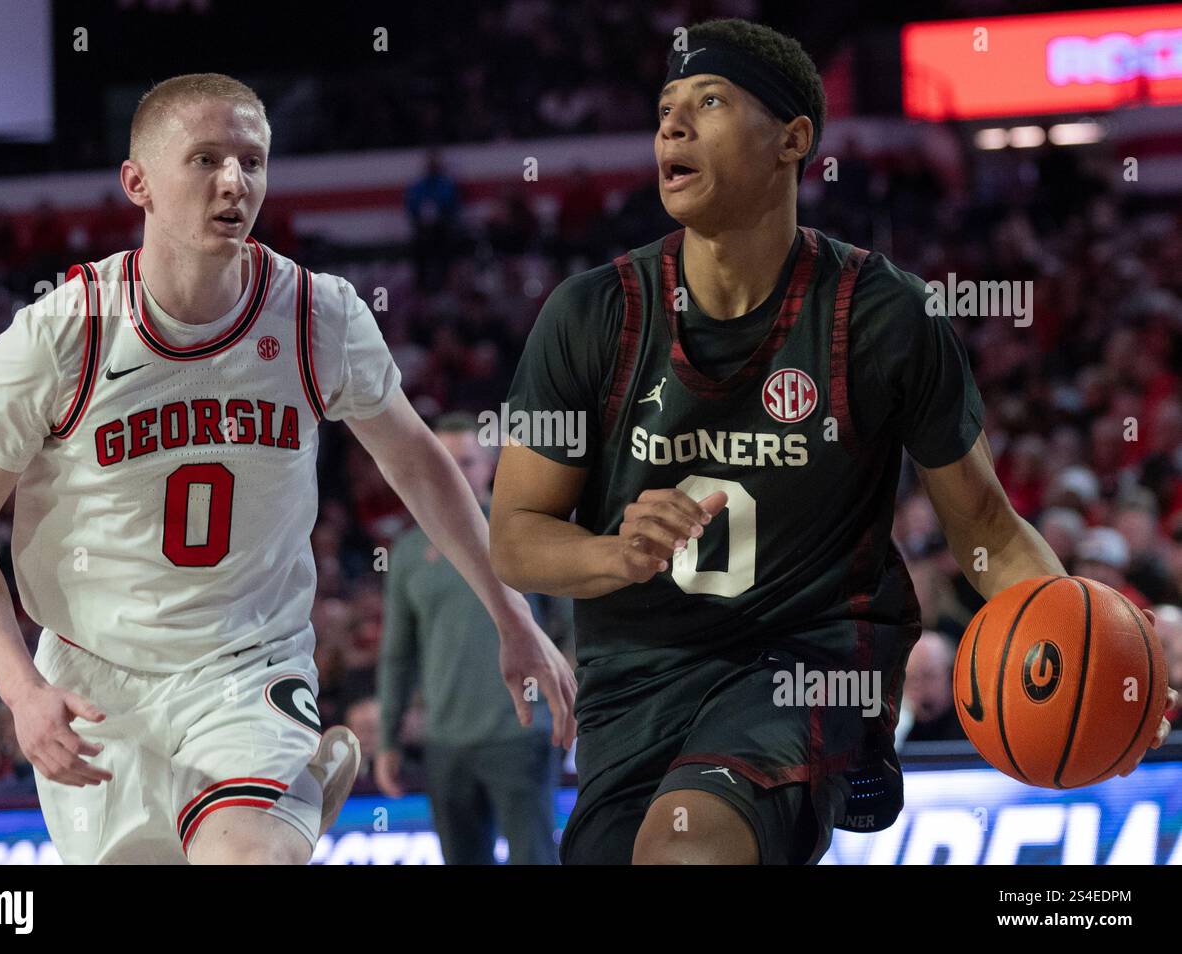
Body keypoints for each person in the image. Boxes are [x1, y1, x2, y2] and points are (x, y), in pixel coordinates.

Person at [489, 18, 1177, 866]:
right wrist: (612, 553)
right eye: (665, 108)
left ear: (792, 140)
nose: (672, 125)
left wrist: (1086, 654)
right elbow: (515, 535)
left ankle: (846, 753)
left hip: (808, 663)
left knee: (691, 851)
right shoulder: (590, 314)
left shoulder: (885, 315)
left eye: (708, 102)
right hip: (638, 677)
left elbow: (988, 531)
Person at [0, 73, 575, 865]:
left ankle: (278, 806)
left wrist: (511, 614)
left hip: (247, 660)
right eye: (205, 159)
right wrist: (21, 692)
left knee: (246, 860)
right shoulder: (63, 334)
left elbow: (418, 461)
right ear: (138, 183)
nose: (235, 181)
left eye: (252, 160)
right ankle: (308, 788)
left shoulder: (317, 315)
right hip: (95, 675)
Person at [376, 412, 561, 865]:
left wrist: (567, 710)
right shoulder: (407, 552)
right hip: (445, 744)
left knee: (534, 858)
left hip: (520, 737)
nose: (456, 473)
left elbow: (576, 628)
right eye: (444, 461)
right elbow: (397, 656)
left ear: (492, 465)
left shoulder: (528, 532)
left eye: (467, 461)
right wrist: (387, 741)